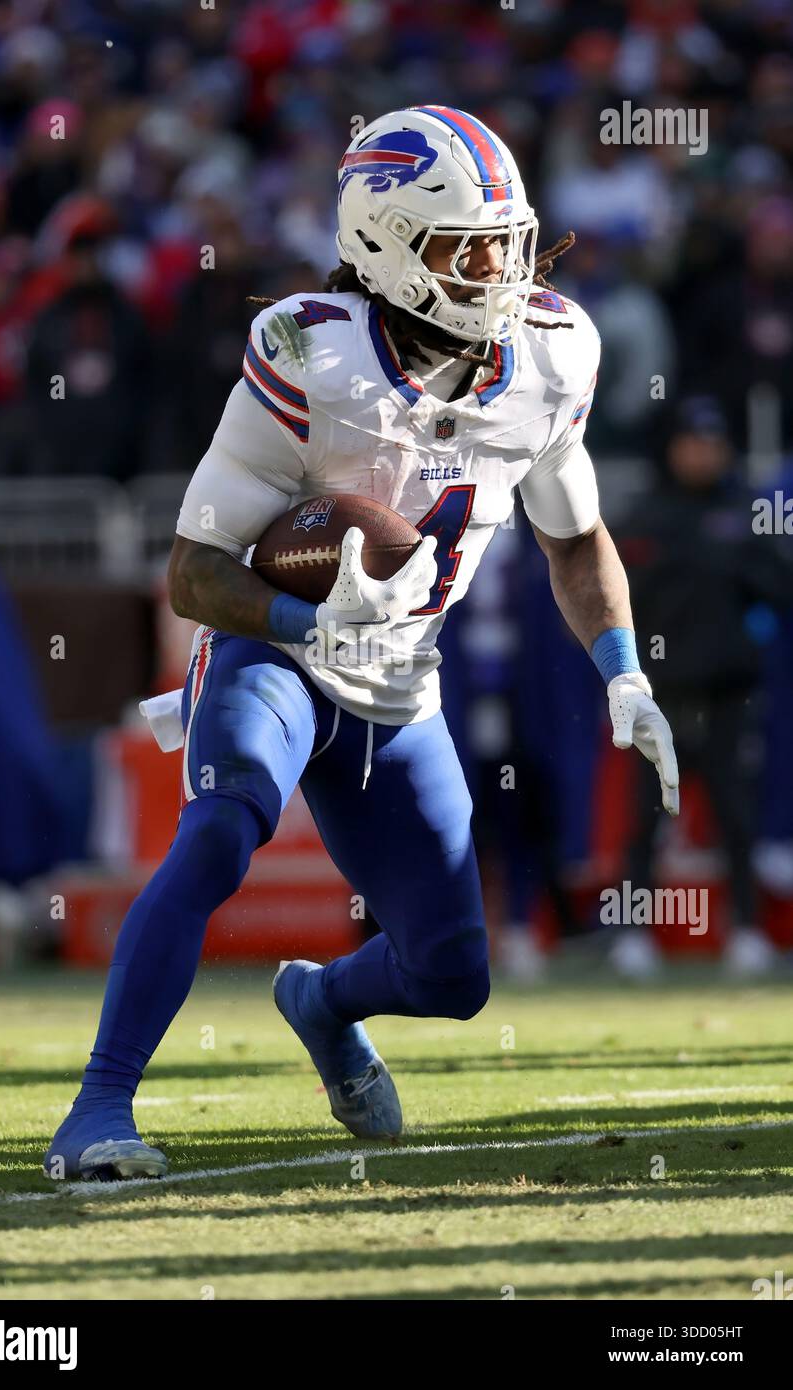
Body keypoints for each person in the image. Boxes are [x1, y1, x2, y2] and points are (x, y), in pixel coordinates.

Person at [45, 106, 679, 1181]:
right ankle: (96, 1111)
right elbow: (195, 572)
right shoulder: (311, 356)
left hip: (403, 683)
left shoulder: (553, 356)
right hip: (279, 656)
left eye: (510, 240)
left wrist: (623, 672)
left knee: (452, 976)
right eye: (468, 246)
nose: (499, 269)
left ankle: (322, 999)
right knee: (222, 826)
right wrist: (302, 619)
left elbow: (576, 543)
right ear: (387, 244)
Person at [612, 396, 793, 980]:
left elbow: (778, 593)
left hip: (726, 697)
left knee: (736, 815)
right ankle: (634, 934)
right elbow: (611, 606)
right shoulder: (644, 517)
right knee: (645, 819)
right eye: (691, 442)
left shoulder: (745, 514)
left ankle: (744, 928)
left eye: (711, 443)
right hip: (656, 699)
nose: (700, 454)